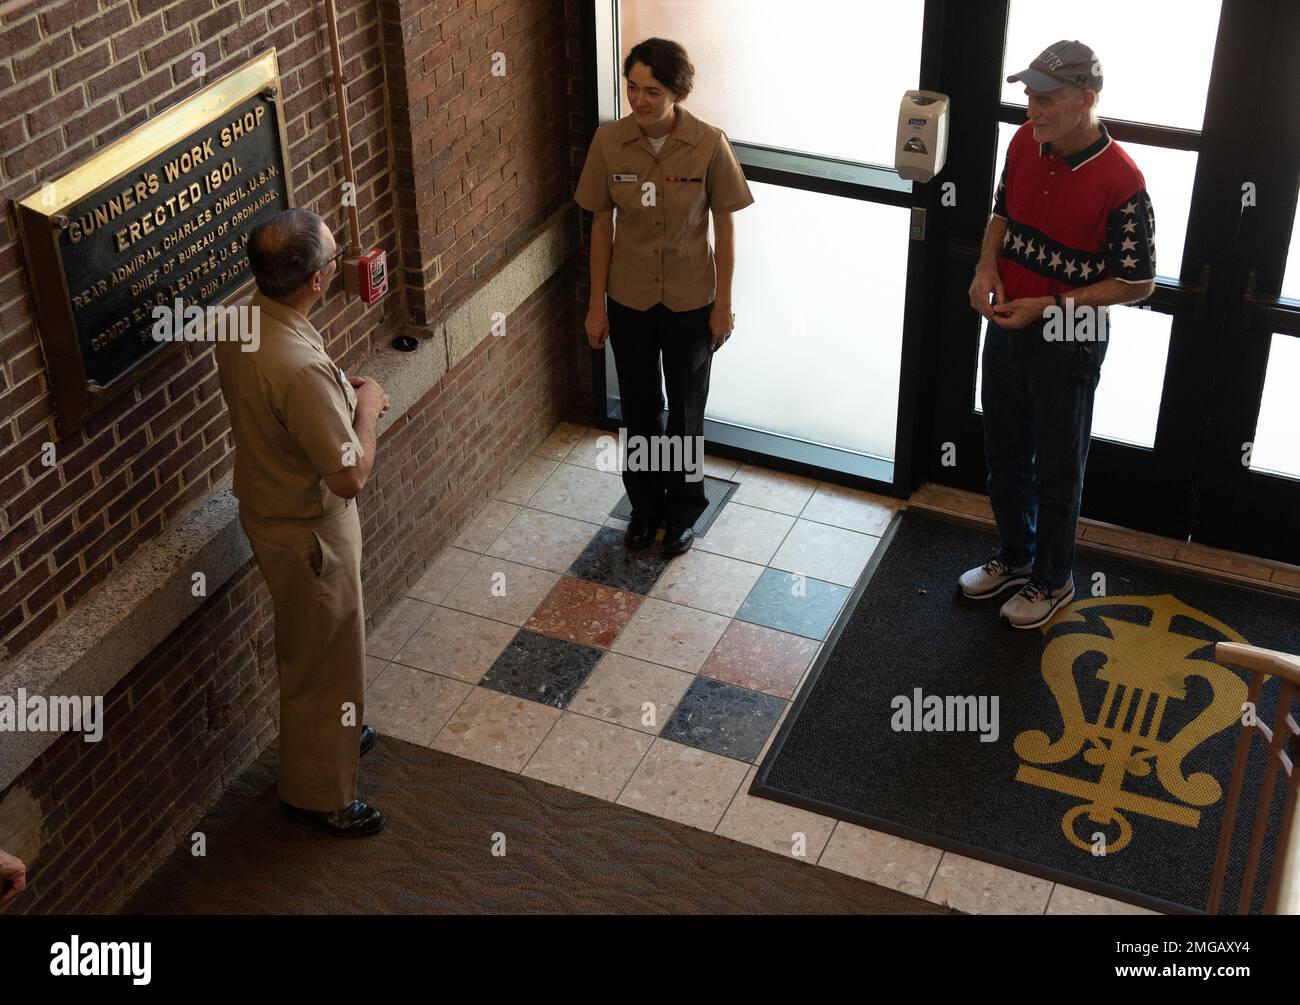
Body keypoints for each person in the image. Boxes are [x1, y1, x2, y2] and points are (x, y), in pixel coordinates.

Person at [961, 40, 1156, 629]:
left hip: (1068, 333)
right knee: (1003, 453)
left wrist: (1048, 304)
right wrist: (985, 267)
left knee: (1057, 467)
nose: (1032, 111)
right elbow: (1002, 212)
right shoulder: (1025, 142)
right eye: (1028, 97)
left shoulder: (1123, 179)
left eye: (1045, 100)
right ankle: (1017, 558)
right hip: (1008, 322)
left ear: (1086, 99)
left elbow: (1138, 282)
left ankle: (1053, 580)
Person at [215, 208, 389, 835]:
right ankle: (320, 794)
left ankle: (340, 731)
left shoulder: (241, 320)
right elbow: (349, 476)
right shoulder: (301, 367)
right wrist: (367, 407)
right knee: (325, 660)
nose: (342, 262)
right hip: (312, 530)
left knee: (320, 647)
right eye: (335, 256)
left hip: (271, 511)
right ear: (315, 280)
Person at [576, 37, 754, 557]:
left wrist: (723, 304)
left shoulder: (707, 143)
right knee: (639, 406)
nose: (640, 99)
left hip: (690, 300)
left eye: (652, 90)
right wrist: (595, 304)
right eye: (632, 87)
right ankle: (645, 508)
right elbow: (600, 226)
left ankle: (682, 513)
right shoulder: (609, 143)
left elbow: (725, 225)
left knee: (685, 411)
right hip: (629, 299)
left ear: (677, 91)